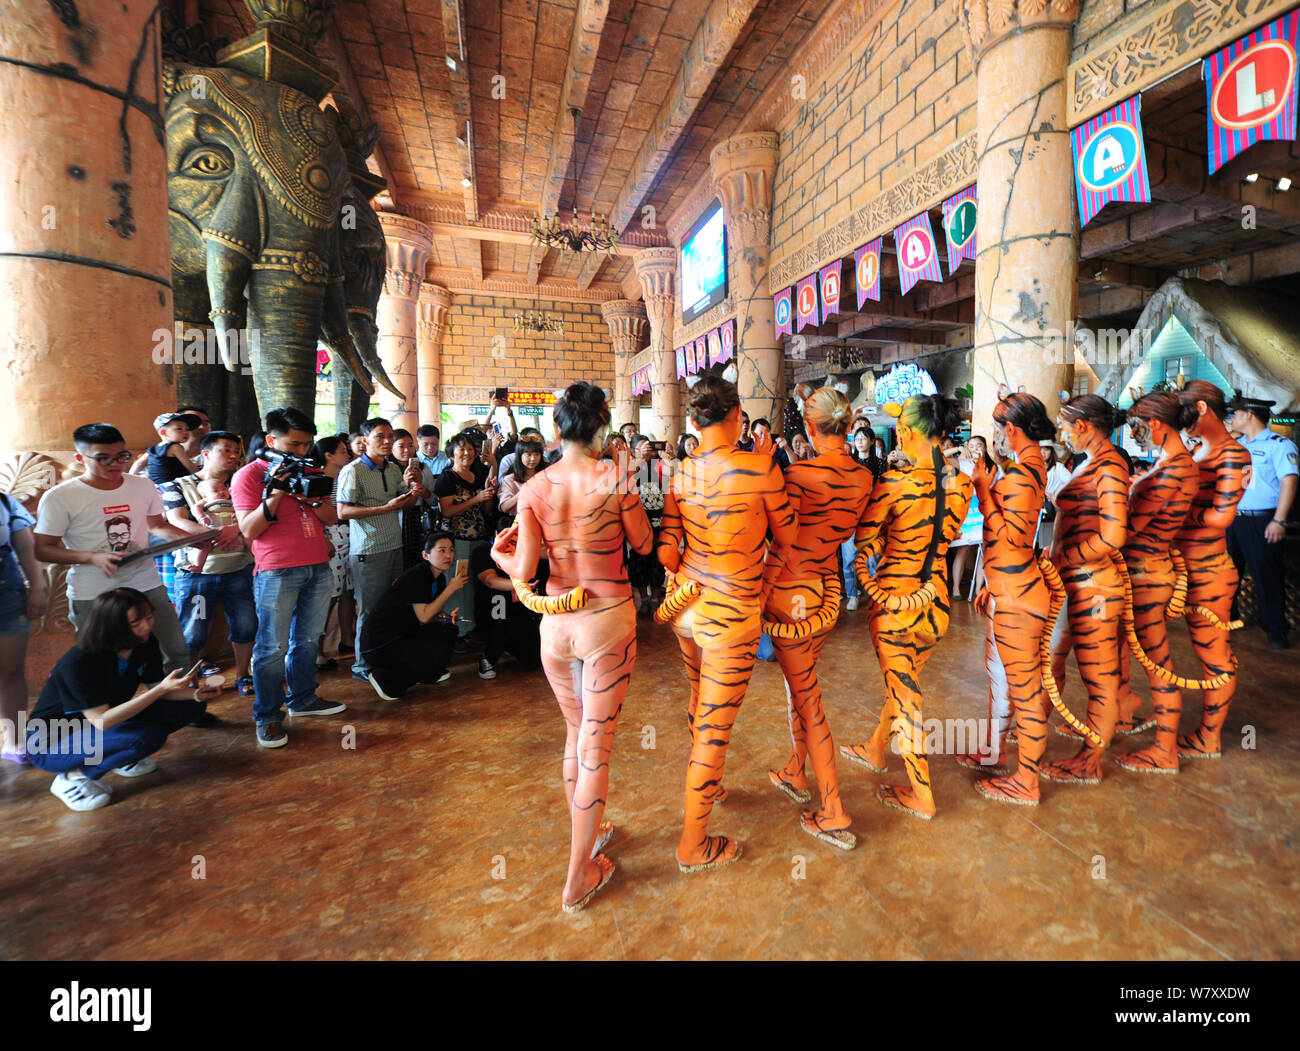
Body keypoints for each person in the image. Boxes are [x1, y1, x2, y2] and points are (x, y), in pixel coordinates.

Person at [492, 381, 654, 912]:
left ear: (558, 429)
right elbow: (644, 544)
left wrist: (499, 559)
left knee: (574, 736)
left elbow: (525, 568)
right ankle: (578, 873)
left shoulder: (536, 485)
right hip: (605, 618)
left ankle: (593, 830)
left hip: (557, 627)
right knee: (597, 746)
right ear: (601, 426)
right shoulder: (615, 476)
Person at [657, 375, 797, 870]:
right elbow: (789, 536)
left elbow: (668, 547)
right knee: (714, 732)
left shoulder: (680, 475)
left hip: (688, 608)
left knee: (699, 704)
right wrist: (767, 466)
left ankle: (710, 786)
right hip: (731, 608)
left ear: (694, 422)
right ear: (737, 415)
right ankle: (692, 845)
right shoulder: (759, 469)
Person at [839, 395, 973, 819]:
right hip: (936, 606)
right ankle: (876, 748)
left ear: (907, 433)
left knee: (907, 696)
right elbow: (942, 535)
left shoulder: (894, 485)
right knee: (904, 682)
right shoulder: (962, 484)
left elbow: (863, 542)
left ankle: (922, 794)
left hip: (896, 605)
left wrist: (879, 541)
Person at [762, 387, 873, 848]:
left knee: (808, 698)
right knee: (798, 684)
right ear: (849, 427)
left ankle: (833, 808)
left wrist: (756, 595)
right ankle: (795, 767)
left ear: (809, 428)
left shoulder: (799, 475)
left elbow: (780, 541)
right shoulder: (864, 478)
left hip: (791, 590)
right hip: (825, 589)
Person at [26, 588, 220, 811]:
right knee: (145, 737)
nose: (147, 626)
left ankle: (118, 754)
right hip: (53, 742)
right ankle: (73, 776)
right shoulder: (79, 661)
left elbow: (158, 686)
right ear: (112, 627)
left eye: (148, 617)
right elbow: (102, 721)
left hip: (98, 726)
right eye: (136, 623)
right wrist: (159, 691)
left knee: (191, 706)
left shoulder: (144, 643)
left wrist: (197, 693)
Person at [956, 392, 1055, 805]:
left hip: (1018, 596)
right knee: (999, 674)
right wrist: (988, 585)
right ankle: (994, 749)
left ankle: (1027, 781)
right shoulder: (1030, 467)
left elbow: (1010, 536)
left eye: (999, 429)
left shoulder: (1021, 475)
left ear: (1011, 430)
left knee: (1025, 688)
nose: (996, 436)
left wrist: (981, 485)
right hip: (1008, 588)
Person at [231, 407, 346, 748]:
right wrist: (278, 491)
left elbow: (331, 517)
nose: (301, 451)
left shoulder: (311, 469)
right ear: (271, 440)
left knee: (308, 639)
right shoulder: (250, 476)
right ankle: (267, 716)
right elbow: (249, 529)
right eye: (294, 444)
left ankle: (304, 699)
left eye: (306, 444)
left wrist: (306, 498)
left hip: (317, 565)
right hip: (276, 569)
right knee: (271, 648)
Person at [34, 423, 192, 672]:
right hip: (94, 591)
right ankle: (108, 711)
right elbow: (42, 549)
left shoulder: (142, 486)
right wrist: (92, 557)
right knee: (98, 662)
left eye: (122, 456)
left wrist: (193, 538)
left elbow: (157, 526)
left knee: (175, 653)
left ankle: (179, 707)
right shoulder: (61, 496)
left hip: (145, 583)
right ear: (80, 457)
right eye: (103, 458)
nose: (116, 464)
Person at [1040, 394, 1130, 786]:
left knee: (1098, 676)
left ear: (1083, 425)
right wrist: (1055, 550)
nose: (1061, 433)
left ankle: (1090, 760)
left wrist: (1068, 555)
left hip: (1094, 586)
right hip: (1076, 582)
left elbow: (1112, 536)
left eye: (1064, 425)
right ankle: (1029, 729)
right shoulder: (1092, 462)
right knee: (1051, 659)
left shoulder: (1110, 467)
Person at [1109, 392, 1200, 774]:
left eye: (1136, 426)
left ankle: (1164, 749)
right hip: (1145, 569)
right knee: (1123, 650)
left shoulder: (1174, 469)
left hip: (1147, 572)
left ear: (1157, 424)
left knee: (1157, 663)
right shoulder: (1171, 462)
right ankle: (1122, 714)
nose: (1134, 434)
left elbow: (1128, 528)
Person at [1172, 381, 1250, 760]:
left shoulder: (1234, 454)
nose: (1182, 425)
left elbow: (1222, 516)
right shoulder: (1198, 451)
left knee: (1214, 655)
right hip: (1182, 568)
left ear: (1202, 408)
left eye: (1185, 416)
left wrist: (1180, 514)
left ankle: (1209, 736)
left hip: (1209, 571)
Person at [160, 430, 253, 692]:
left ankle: (243, 676)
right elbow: (177, 519)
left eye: (236, 451)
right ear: (206, 454)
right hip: (197, 573)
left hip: (240, 568)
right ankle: (190, 686)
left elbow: (256, 515)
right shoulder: (177, 485)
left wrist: (235, 530)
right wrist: (218, 532)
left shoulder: (241, 483)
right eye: (226, 450)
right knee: (194, 632)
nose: (234, 456)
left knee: (246, 625)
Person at [336, 417, 424, 682]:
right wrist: (385, 508)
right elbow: (343, 510)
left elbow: (405, 505)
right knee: (370, 609)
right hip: (368, 551)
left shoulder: (393, 469)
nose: (387, 442)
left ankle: (384, 656)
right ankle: (363, 665)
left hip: (395, 545)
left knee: (390, 607)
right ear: (364, 441)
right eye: (379, 437)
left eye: (389, 437)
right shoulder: (353, 470)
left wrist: (414, 489)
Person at [1226, 393, 1297, 648]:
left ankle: (1275, 629)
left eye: (1235, 413)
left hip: (1262, 520)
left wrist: (1279, 520)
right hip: (1234, 520)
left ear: (1249, 415)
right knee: (1228, 575)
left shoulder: (1279, 444)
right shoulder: (1237, 445)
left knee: (1267, 576)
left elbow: (1289, 481)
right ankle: (1229, 619)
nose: (1232, 418)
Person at [362, 532, 467, 700]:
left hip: (403, 632)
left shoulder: (438, 578)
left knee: (449, 629)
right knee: (432, 650)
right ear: (426, 555)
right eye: (442, 550)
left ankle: (428, 674)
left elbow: (430, 614)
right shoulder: (417, 576)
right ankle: (384, 677)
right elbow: (424, 617)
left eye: (451, 550)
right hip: (380, 643)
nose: (448, 555)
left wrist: (444, 617)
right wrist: (451, 589)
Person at [435, 432, 497, 643]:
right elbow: (447, 511)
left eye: (470, 449)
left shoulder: (478, 475)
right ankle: (456, 632)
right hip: (456, 540)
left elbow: (487, 510)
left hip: (478, 539)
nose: (467, 453)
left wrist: (488, 496)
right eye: (461, 449)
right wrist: (476, 498)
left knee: (473, 585)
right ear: (451, 453)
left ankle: (470, 627)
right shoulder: (447, 477)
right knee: (456, 584)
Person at [0, 489, 47, 763]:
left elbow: (26, 547)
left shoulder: (5, 501)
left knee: (11, 672)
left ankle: (15, 741)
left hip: (7, 596)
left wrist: (37, 589)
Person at [472, 528, 544, 678]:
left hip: (519, 610)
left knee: (534, 661)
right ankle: (488, 658)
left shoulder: (523, 548)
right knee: (503, 624)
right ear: (498, 534)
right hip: (494, 609)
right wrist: (522, 585)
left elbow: (548, 553)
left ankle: (510, 646)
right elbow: (490, 581)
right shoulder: (483, 550)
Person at [315, 434, 355, 672]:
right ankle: (318, 652)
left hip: (350, 535)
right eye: (342, 450)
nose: (347, 454)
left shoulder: (345, 475)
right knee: (329, 596)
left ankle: (347, 640)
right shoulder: (320, 479)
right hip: (331, 538)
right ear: (328, 455)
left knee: (348, 591)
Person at [627, 436, 667, 615]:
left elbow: (673, 482)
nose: (648, 452)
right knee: (639, 562)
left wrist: (669, 457)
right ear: (634, 450)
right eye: (643, 448)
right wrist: (639, 461)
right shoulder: (630, 466)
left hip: (660, 522)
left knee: (658, 561)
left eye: (649, 448)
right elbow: (624, 484)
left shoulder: (660, 465)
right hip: (638, 524)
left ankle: (656, 598)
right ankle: (643, 599)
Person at [391, 429, 428, 570]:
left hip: (416, 517)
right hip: (395, 519)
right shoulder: (388, 469)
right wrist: (405, 484)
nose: (407, 450)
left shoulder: (423, 468)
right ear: (392, 448)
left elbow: (433, 499)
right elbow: (388, 497)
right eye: (401, 446)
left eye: (410, 445)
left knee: (416, 559)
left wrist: (422, 489)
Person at [497, 436, 545, 527]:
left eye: (537, 454)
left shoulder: (545, 475)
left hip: (544, 521)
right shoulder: (510, 480)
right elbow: (504, 507)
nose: (533, 459)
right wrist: (523, 491)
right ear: (520, 455)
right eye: (528, 454)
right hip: (521, 524)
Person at [143, 412, 202, 485]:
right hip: (171, 486)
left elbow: (138, 464)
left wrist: (131, 477)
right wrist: (202, 477)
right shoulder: (176, 447)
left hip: (156, 486)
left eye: (187, 429)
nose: (186, 432)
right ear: (163, 432)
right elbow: (190, 466)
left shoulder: (153, 449)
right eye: (179, 429)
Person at [1036, 441, 1071, 552]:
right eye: (1041, 449)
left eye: (1046, 449)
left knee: (1050, 543)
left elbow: (1072, 483)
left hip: (1052, 508)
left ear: (1051, 451)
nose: (1043, 452)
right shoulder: (1034, 468)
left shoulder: (1058, 467)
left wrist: (1056, 493)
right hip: (1037, 508)